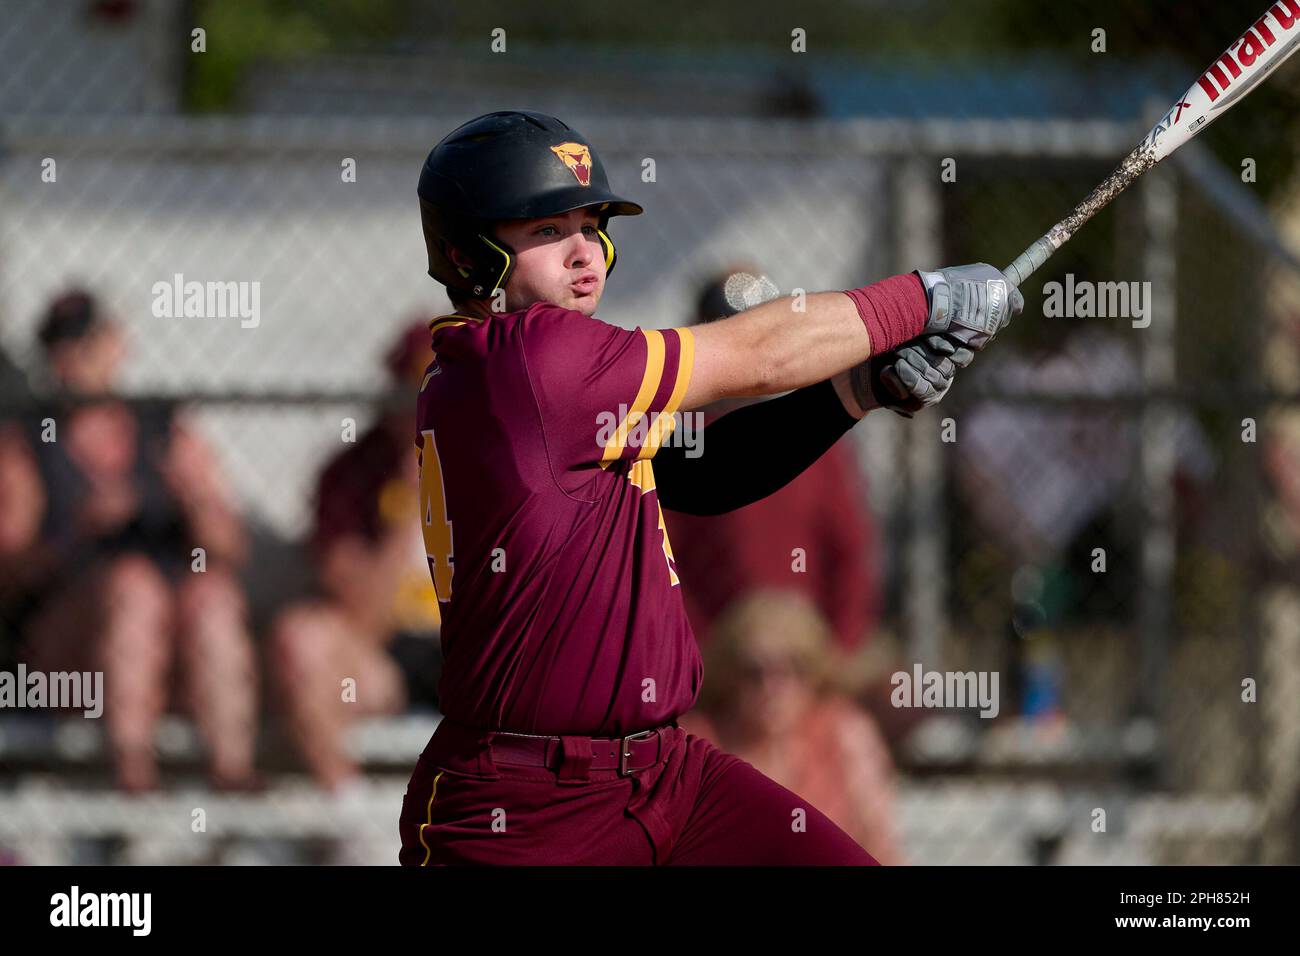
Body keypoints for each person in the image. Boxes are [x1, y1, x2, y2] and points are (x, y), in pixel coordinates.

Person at [397, 110, 1021, 866]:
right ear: (470, 256)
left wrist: (858, 390)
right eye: (546, 232)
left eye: (591, 226)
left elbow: (703, 473)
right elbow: (760, 351)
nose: (585, 254)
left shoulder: (519, 373)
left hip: (666, 774)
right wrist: (921, 300)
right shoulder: (531, 358)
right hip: (529, 805)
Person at [17, 290, 258, 792]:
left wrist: (194, 503)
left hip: (168, 646)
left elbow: (232, 546)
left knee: (211, 594)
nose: (70, 362)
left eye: (85, 346)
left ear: (115, 347)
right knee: (133, 588)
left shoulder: (161, 429)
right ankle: (135, 785)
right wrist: (78, 530)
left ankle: (231, 780)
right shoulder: (31, 437)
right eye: (58, 349)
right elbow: (12, 571)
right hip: (71, 653)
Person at [666, 266, 882, 656]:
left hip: (804, 659)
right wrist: (697, 660)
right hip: (716, 664)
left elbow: (849, 552)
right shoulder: (676, 443)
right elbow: (663, 567)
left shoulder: (814, 439)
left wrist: (839, 653)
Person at [271, 320, 443, 794]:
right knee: (302, 640)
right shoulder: (353, 475)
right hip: (390, 656)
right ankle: (349, 818)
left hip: (480, 654)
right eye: (416, 393)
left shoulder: (508, 464)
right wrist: (410, 502)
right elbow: (361, 617)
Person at [679, 590, 903, 864]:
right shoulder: (696, 742)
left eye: (792, 669)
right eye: (755, 672)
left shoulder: (843, 734)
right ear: (729, 676)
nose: (772, 687)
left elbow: (879, 845)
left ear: (815, 674)